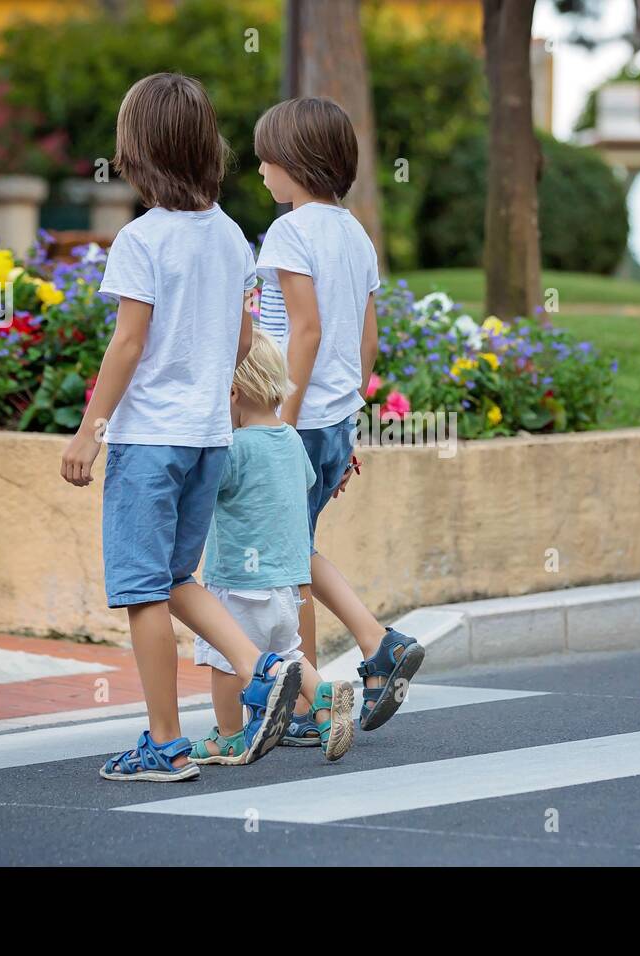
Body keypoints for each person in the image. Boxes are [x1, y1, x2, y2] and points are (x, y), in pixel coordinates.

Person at [61, 73, 300, 781]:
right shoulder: (229, 237)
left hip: (147, 442)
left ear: (136, 154)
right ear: (207, 150)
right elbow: (241, 341)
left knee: (141, 592)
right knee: (176, 577)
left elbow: (128, 343)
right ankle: (261, 673)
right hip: (207, 439)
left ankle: (164, 744)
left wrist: (89, 432)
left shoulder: (141, 239)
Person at [252, 96, 425, 740]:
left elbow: (306, 330)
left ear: (295, 164)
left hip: (293, 420)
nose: (261, 170)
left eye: (268, 158)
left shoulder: (289, 233)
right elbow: (366, 339)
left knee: (288, 554)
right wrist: (345, 419)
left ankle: (365, 651)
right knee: (293, 554)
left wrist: (280, 425)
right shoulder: (354, 232)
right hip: (332, 420)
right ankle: (314, 692)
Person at [189, 331, 355, 764]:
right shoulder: (291, 439)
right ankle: (322, 696)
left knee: (225, 659)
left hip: (239, 581)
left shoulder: (234, 448)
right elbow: (307, 482)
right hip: (286, 587)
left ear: (233, 391)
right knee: (288, 654)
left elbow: (205, 492)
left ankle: (228, 734)